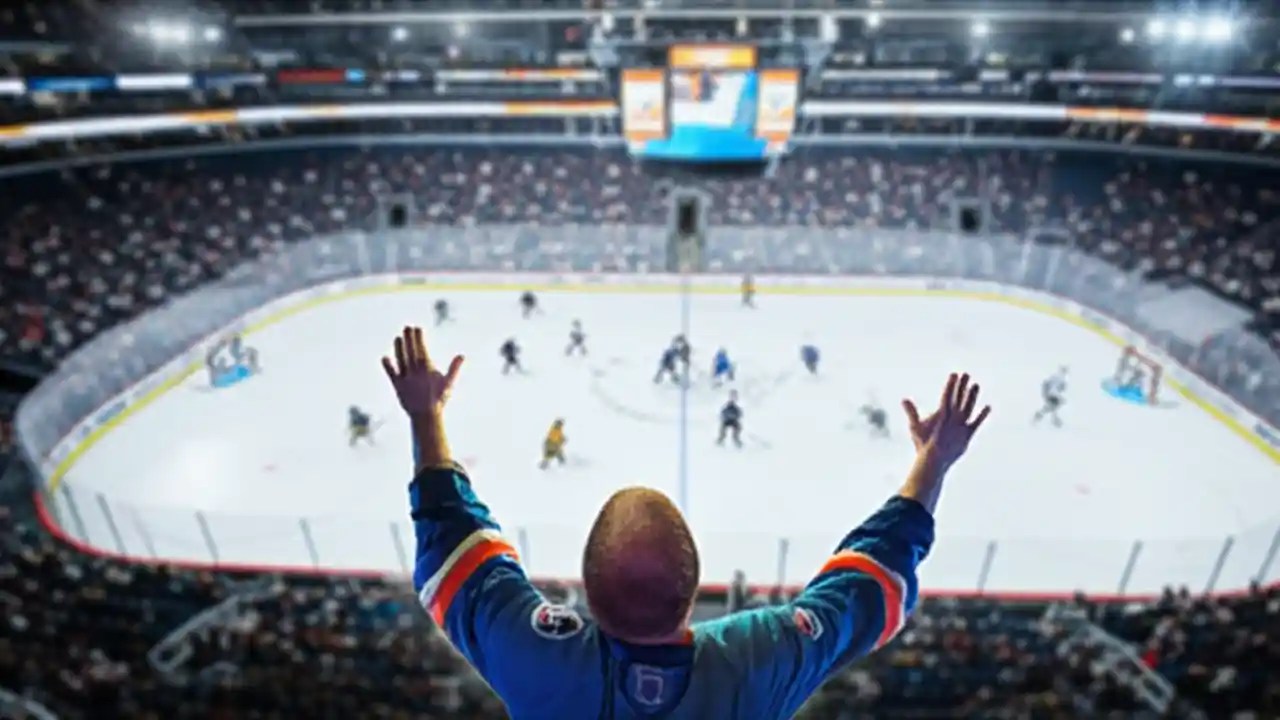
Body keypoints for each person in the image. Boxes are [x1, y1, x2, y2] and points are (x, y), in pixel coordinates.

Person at [382, 324, 990, 720]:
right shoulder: (754, 662)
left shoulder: (537, 661)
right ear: (695, 593)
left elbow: (450, 547)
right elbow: (870, 584)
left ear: (585, 593)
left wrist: (424, 417)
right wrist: (933, 463)